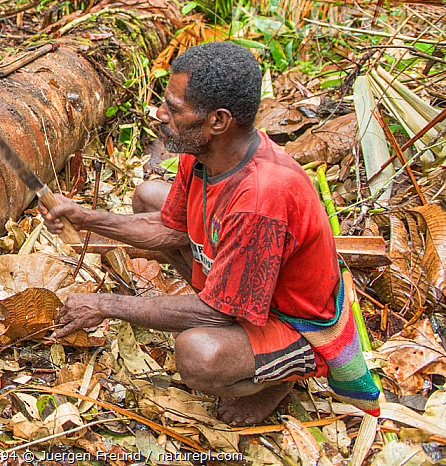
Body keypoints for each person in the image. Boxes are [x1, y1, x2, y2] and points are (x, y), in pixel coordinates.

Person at [38, 42, 356, 425]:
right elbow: (170, 230)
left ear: (218, 121)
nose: (160, 114)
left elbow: (217, 313)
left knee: (198, 354)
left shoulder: (261, 199)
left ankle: (282, 377)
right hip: (245, 291)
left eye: (173, 108)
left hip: (293, 321)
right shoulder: (205, 153)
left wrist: (105, 305)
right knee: (149, 197)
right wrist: (84, 216)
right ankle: (252, 345)